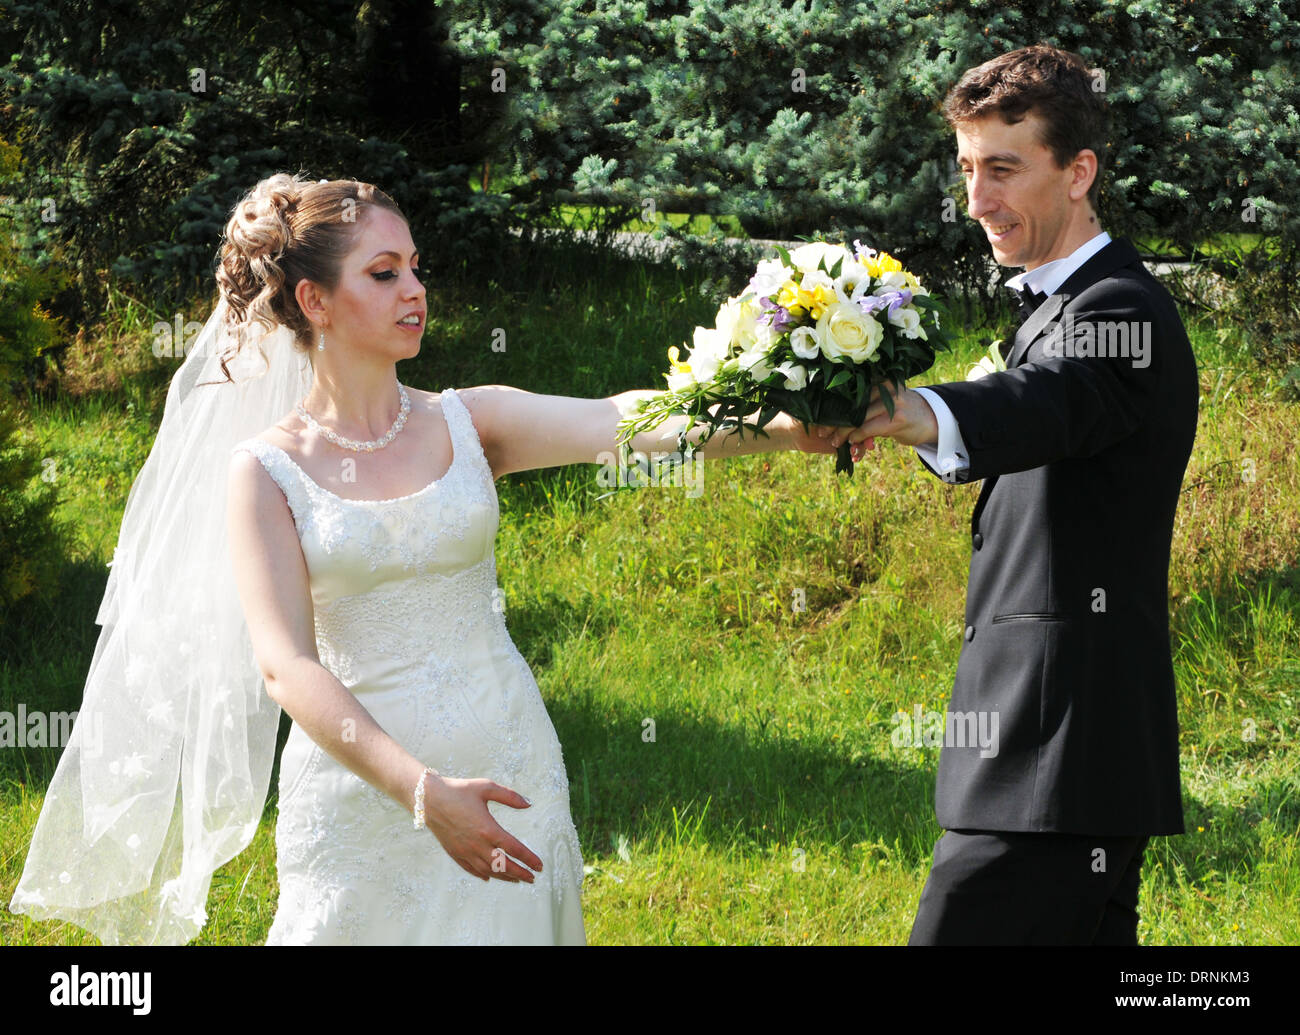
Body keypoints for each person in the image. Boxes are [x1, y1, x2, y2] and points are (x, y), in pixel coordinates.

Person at [9, 172, 835, 945]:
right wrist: (421, 792)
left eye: (415, 267)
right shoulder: (266, 471)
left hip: (511, 768)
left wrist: (792, 430)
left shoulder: (470, 421)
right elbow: (287, 665)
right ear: (314, 301)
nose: (415, 290)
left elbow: (626, 422)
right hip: (360, 801)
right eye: (383, 273)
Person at [819, 44, 1198, 944]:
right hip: (1064, 761)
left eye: (1002, 169)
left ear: (1079, 173)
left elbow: (1044, 404)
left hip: (1056, 752)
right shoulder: (1055, 309)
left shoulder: (1121, 310)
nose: (976, 200)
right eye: (965, 169)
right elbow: (1028, 420)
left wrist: (907, 410)